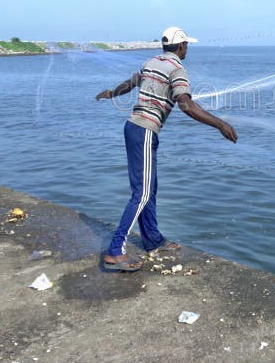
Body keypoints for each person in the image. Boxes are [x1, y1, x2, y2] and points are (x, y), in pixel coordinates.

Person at [95, 26, 238, 271]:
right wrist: (220, 124)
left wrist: (112, 93)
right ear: (181, 46)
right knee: (142, 193)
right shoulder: (176, 68)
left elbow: (131, 83)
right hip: (144, 130)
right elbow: (186, 105)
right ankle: (115, 251)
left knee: (149, 189)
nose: (187, 49)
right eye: (186, 45)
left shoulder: (152, 62)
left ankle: (152, 240)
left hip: (135, 129)